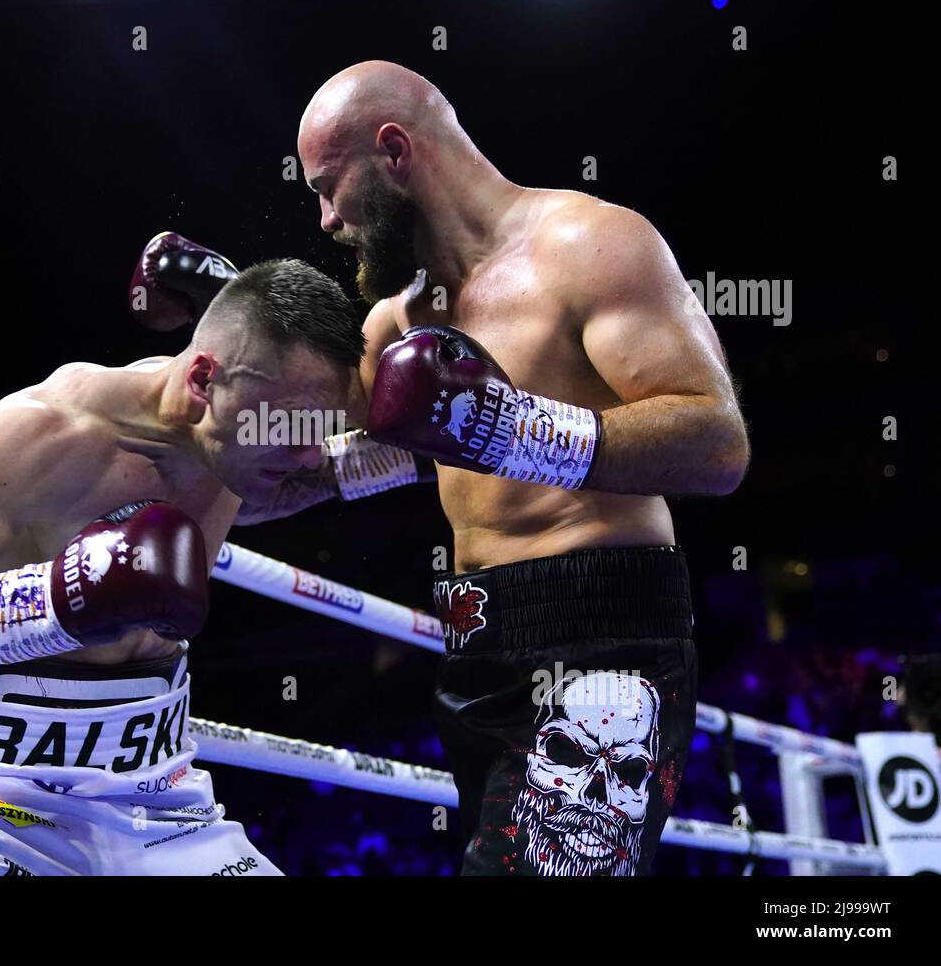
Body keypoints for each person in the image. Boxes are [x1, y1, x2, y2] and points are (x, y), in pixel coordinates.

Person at [238, 60, 750, 875]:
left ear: (395, 151)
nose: (327, 220)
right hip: (478, 634)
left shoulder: (587, 245)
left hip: (607, 634)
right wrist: (218, 354)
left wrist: (511, 429)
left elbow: (718, 444)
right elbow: (301, 465)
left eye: (329, 187)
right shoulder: (399, 321)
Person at [0, 248, 364, 875]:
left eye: (320, 430)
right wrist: (54, 603)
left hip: (161, 797)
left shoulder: (237, 424)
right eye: (293, 432)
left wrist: (404, 456)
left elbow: (270, 420)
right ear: (201, 382)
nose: (313, 456)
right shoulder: (48, 437)